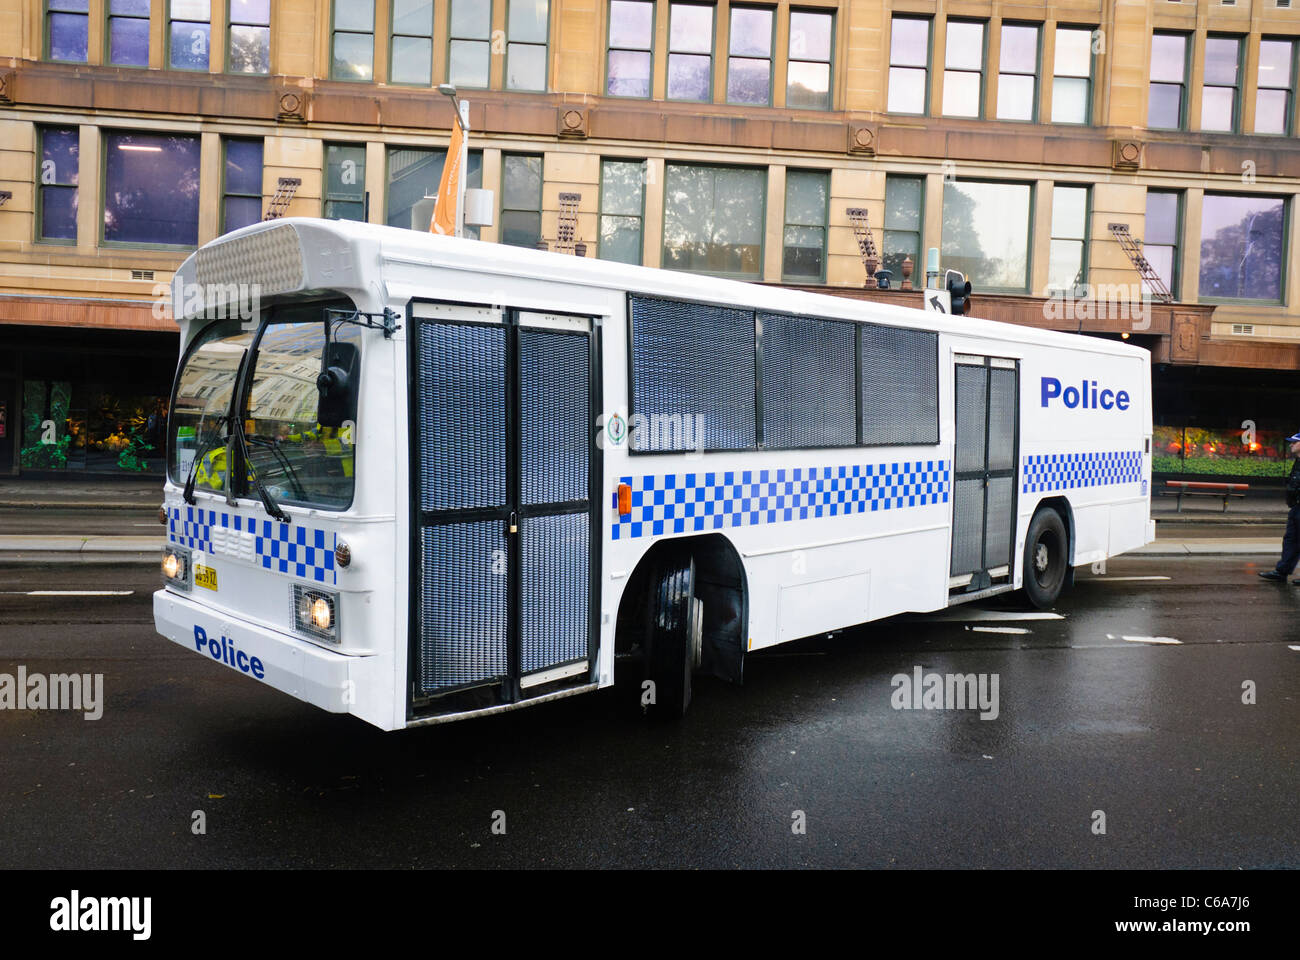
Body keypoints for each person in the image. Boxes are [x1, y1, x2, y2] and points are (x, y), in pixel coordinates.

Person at [1258, 431, 1300, 582]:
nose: (1291, 445)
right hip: (1296, 507)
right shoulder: (1297, 462)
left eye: (1294, 442)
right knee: (1290, 540)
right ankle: (1282, 572)